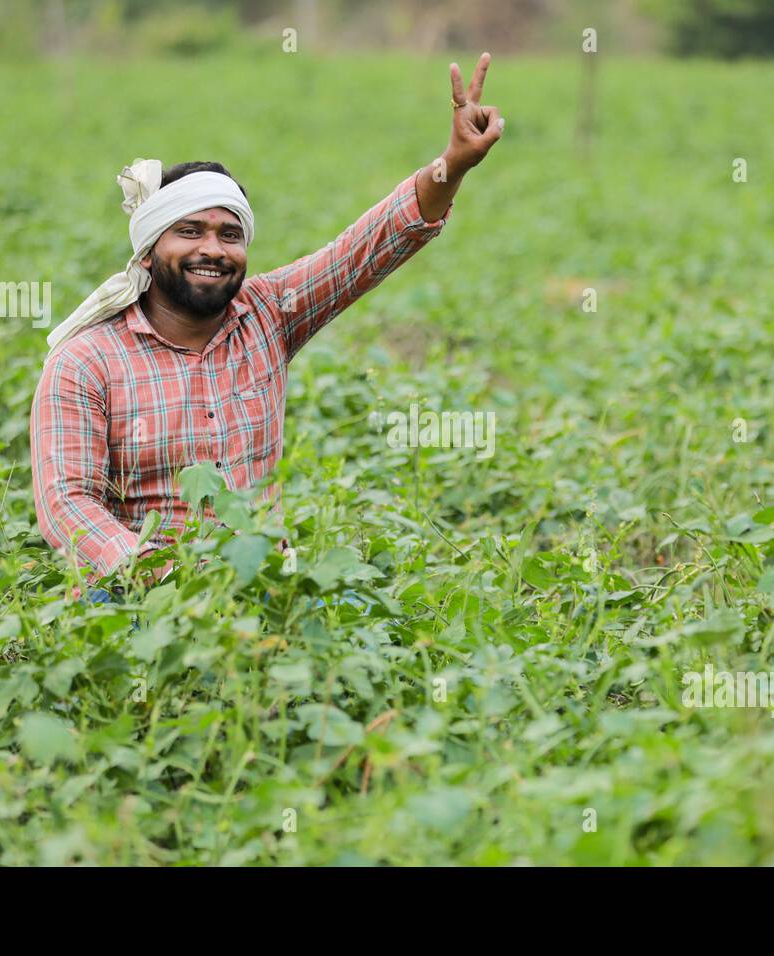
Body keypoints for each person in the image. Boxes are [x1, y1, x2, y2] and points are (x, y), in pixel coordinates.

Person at [30, 55, 504, 585]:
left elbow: (367, 249)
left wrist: (452, 165)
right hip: (137, 604)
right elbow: (66, 502)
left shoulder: (267, 315)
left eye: (229, 235)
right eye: (189, 231)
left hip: (265, 591)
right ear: (146, 251)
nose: (212, 249)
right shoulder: (86, 361)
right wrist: (162, 577)